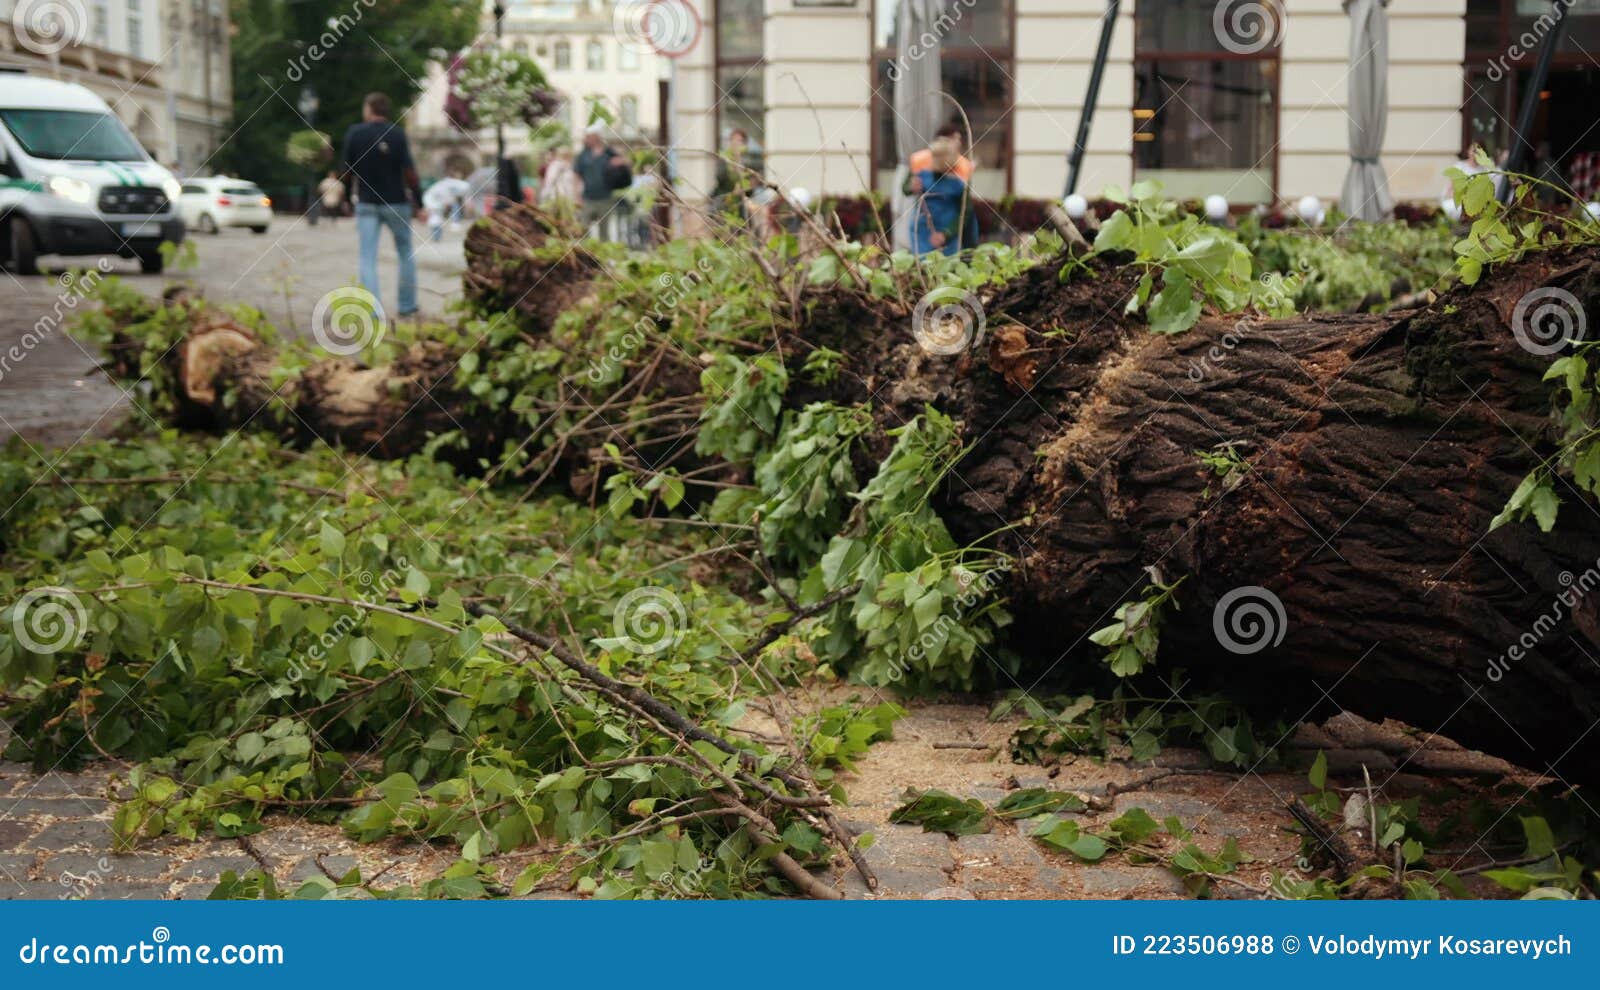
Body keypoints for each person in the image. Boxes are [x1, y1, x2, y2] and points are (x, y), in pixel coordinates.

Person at [341, 91, 420, 318]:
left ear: (369, 109)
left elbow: (348, 172)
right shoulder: (398, 134)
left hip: (366, 203)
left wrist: (347, 199)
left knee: (367, 257)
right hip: (396, 202)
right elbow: (410, 173)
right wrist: (420, 201)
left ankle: (374, 311)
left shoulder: (355, 134)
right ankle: (407, 305)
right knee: (405, 252)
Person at [909, 136, 976, 256]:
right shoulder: (922, 174)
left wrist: (946, 234)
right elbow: (905, 188)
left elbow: (965, 213)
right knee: (923, 267)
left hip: (947, 234)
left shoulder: (958, 183)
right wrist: (911, 186)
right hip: (922, 232)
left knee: (946, 267)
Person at [575, 125, 632, 241]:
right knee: (583, 228)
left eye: (589, 137)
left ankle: (602, 257)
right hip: (587, 198)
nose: (586, 139)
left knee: (604, 232)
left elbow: (628, 163)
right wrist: (577, 195)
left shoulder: (609, 153)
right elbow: (576, 175)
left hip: (606, 197)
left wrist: (620, 161)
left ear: (597, 137)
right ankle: (586, 255)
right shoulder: (583, 155)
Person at [906, 123, 974, 196]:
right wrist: (911, 188)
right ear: (939, 141)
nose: (958, 143)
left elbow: (965, 199)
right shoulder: (919, 159)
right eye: (953, 139)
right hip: (925, 205)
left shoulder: (964, 164)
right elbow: (905, 189)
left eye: (959, 139)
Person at [422, 173, 471, 242]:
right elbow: (444, 198)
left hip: (435, 203)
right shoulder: (445, 186)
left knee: (437, 219)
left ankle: (437, 236)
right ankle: (436, 236)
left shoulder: (450, 185)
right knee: (435, 218)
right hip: (433, 203)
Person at [539, 147, 583, 214]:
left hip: (569, 198)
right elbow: (549, 182)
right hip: (558, 199)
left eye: (567, 155)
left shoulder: (573, 167)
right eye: (564, 155)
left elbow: (578, 183)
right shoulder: (555, 166)